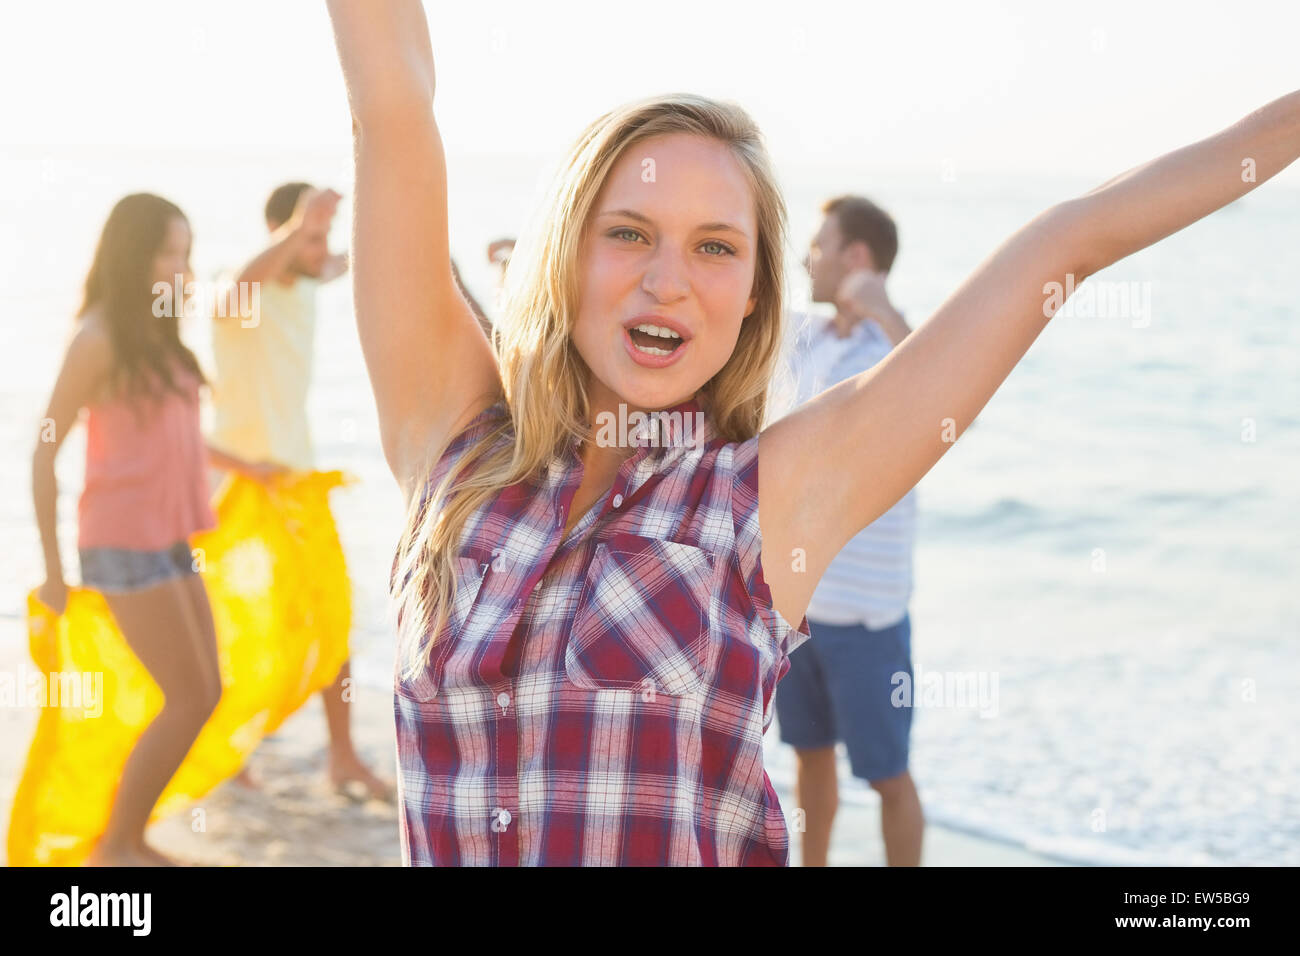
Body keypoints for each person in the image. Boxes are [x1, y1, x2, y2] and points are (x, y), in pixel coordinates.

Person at [328, 0, 1299, 867]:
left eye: (715, 247)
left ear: (752, 297)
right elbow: (393, 107)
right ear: (565, 248)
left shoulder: (771, 494)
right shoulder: (452, 444)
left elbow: (1066, 241)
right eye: (628, 231)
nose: (668, 278)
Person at [31, 193, 268, 866]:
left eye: (188, 255)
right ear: (133, 255)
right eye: (170, 253)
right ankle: (117, 846)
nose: (183, 270)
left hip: (172, 538)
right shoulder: (97, 338)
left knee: (206, 693)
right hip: (121, 545)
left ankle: (126, 837)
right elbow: (43, 450)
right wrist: (52, 570)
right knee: (187, 698)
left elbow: (176, 434)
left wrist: (247, 465)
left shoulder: (157, 334)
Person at [207, 181, 391, 800]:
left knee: (331, 618)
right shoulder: (242, 296)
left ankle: (342, 757)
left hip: (298, 483)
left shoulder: (308, 282)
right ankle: (226, 758)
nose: (322, 249)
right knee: (242, 624)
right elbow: (231, 297)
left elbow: (354, 260)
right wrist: (296, 230)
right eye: (309, 237)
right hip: (241, 487)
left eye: (323, 238)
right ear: (279, 237)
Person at [777, 196, 921, 866]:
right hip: (799, 606)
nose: (810, 258)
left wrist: (883, 307)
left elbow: (946, 395)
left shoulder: (892, 347)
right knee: (808, 758)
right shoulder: (807, 335)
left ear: (855, 257)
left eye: (820, 245)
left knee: (886, 774)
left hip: (868, 618)